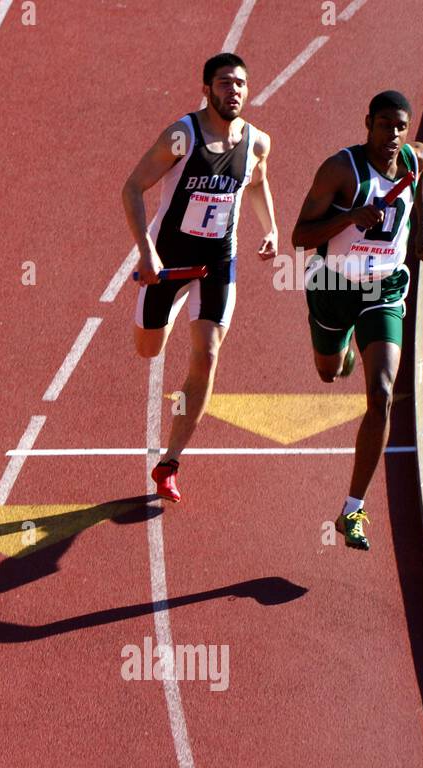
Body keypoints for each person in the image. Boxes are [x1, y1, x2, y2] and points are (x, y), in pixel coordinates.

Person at [122, 53, 277, 503]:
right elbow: (132, 187)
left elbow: (257, 181)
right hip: (166, 262)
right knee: (148, 350)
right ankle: (169, 312)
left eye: (241, 84)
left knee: (206, 354)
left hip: (216, 263)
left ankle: (170, 462)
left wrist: (270, 228)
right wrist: (147, 251)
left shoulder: (258, 142)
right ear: (206, 89)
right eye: (225, 83)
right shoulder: (181, 136)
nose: (235, 91)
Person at [291, 90, 423, 550]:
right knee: (328, 373)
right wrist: (351, 216)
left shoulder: (414, 159)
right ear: (367, 122)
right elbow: (299, 236)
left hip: (384, 288)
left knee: (383, 393)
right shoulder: (342, 170)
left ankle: (351, 510)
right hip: (333, 286)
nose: (393, 135)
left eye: (401, 126)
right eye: (384, 125)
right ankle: (345, 353)